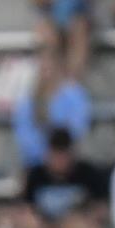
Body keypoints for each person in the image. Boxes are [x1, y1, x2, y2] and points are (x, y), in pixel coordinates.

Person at [12, 38, 91, 171]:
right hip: (37, 165)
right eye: (42, 63)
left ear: (58, 65)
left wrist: (59, 153)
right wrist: (46, 156)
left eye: (49, 63)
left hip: (68, 162)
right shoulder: (26, 101)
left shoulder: (74, 95)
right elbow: (24, 136)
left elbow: (78, 128)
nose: (46, 68)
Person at [22, 127, 107, 228]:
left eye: (63, 155)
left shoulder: (88, 173)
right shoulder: (35, 175)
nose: (60, 161)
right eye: (56, 155)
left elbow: (101, 209)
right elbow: (27, 212)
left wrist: (83, 221)